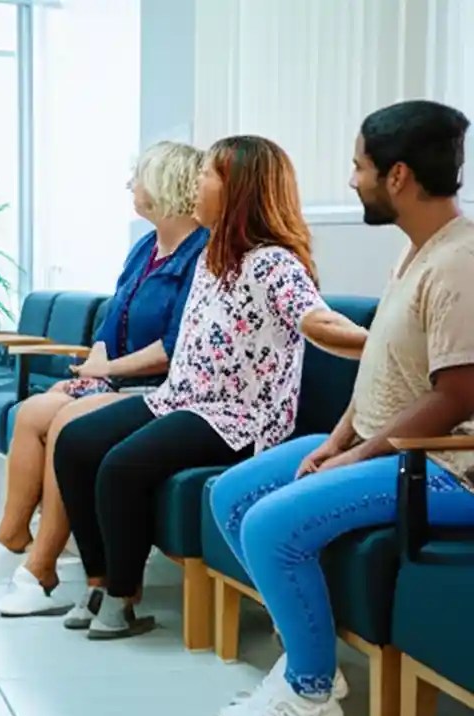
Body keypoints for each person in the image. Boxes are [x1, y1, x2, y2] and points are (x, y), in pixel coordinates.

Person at [207, 101, 474, 716]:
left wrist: (356, 457)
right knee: (232, 496)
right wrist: (335, 441)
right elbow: (384, 367)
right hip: (389, 444)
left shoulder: (459, 263)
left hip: (447, 465)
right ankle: (310, 653)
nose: (353, 180)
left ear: (398, 175)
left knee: (269, 525)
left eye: (359, 167)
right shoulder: (415, 251)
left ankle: (310, 691)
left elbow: (457, 396)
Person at [51, 136, 371, 640]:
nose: (194, 185)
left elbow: (317, 321)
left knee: (120, 466)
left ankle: (121, 597)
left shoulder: (273, 261)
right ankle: (99, 580)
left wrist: (383, 342)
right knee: (74, 443)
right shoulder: (212, 253)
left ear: (238, 189)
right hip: (180, 399)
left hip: (238, 416)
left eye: (206, 175)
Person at [0, 142, 209, 607]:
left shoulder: (202, 255)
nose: (130, 184)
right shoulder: (145, 249)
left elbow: (176, 348)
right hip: (116, 377)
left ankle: (42, 567)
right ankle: (11, 538)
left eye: (138, 175)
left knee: (65, 423)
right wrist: (94, 371)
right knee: (33, 411)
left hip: (161, 388)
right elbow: (113, 324)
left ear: (165, 184)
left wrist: (105, 371)